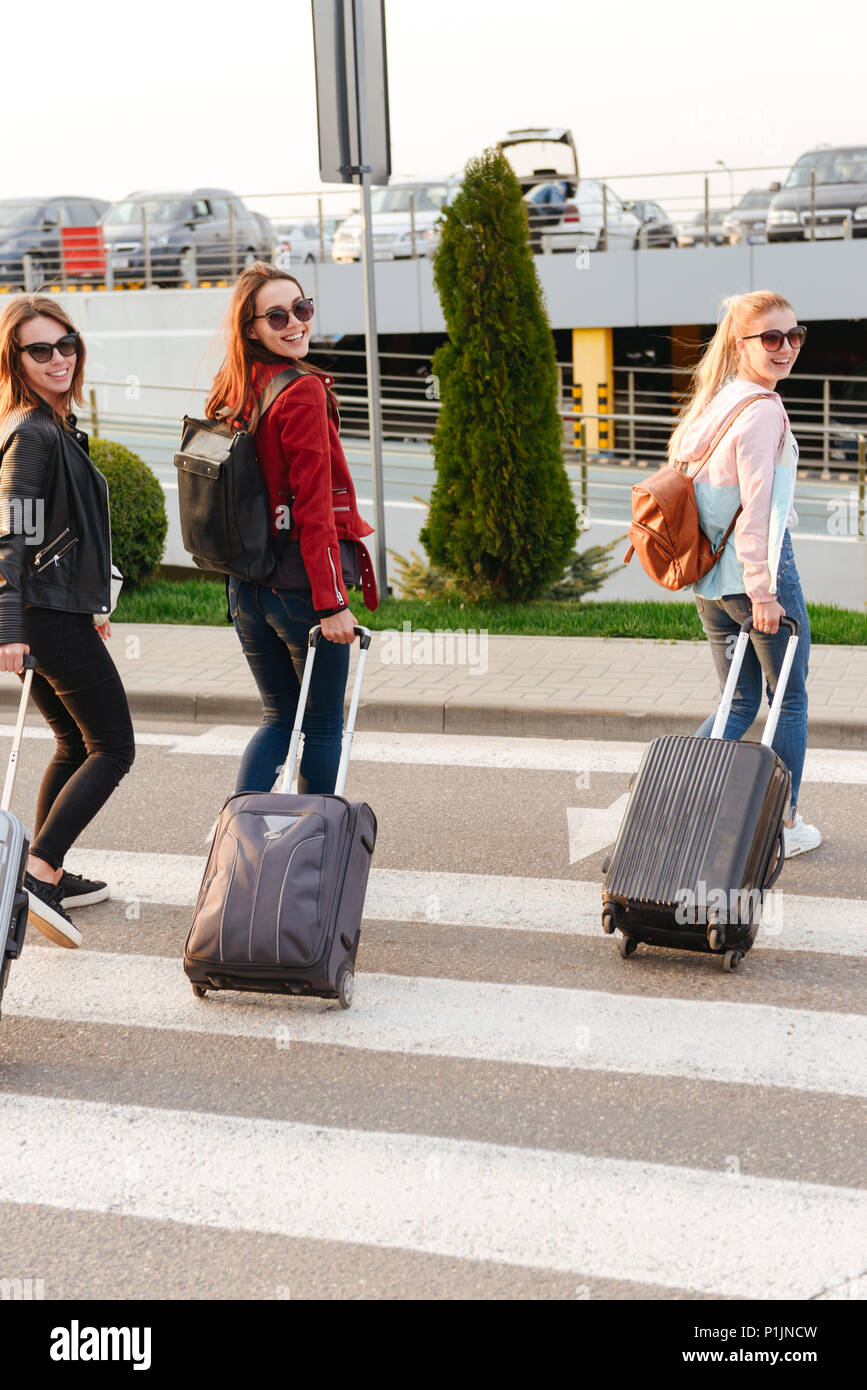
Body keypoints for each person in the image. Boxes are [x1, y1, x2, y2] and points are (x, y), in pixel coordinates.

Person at [205, 263, 378, 796]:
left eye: (301, 308)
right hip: (301, 590)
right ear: (251, 327)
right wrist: (332, 604)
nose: (294, 324)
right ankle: (312, 851)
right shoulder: (300, 391)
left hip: (247, 586)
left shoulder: (233, 387)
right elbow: (314, 509)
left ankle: (239, 837)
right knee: (323, 724)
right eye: (276, 316)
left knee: (278, 718)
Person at [0, 297, 135, 947]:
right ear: (15, 360)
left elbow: (63, 532)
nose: (59, 358)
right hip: (41, 614)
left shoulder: (55, 423)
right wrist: (8, 630)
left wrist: (88, 600)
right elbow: (14, 534)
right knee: (113, 746)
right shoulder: (32, 432)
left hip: (58, 607)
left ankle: (33, 867)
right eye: (40, 349)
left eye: (67, 343)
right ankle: (38, 872)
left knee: (75, 744)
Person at [668, 290, 820, 857]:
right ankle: (780, 824)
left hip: (710, 582)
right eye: (772, 339)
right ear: (742, 345)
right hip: (755, 578)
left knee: (738, 701)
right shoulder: (761, 411)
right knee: (789, 696)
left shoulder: (719, 400)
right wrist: (764, 591)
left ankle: (677, 795)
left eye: (795, 335)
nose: (787, 349)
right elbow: (756, 512)